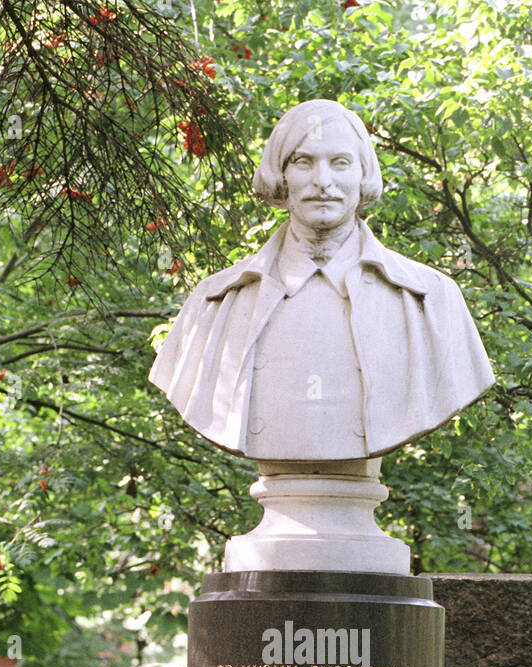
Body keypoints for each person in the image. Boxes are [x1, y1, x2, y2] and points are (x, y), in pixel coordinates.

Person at [149, 99, 494, 466]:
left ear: (363, 175)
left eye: (340, 163)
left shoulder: (432, 300)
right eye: (304, 162)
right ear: (281, 176)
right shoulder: (212, 303)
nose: (323, 181)